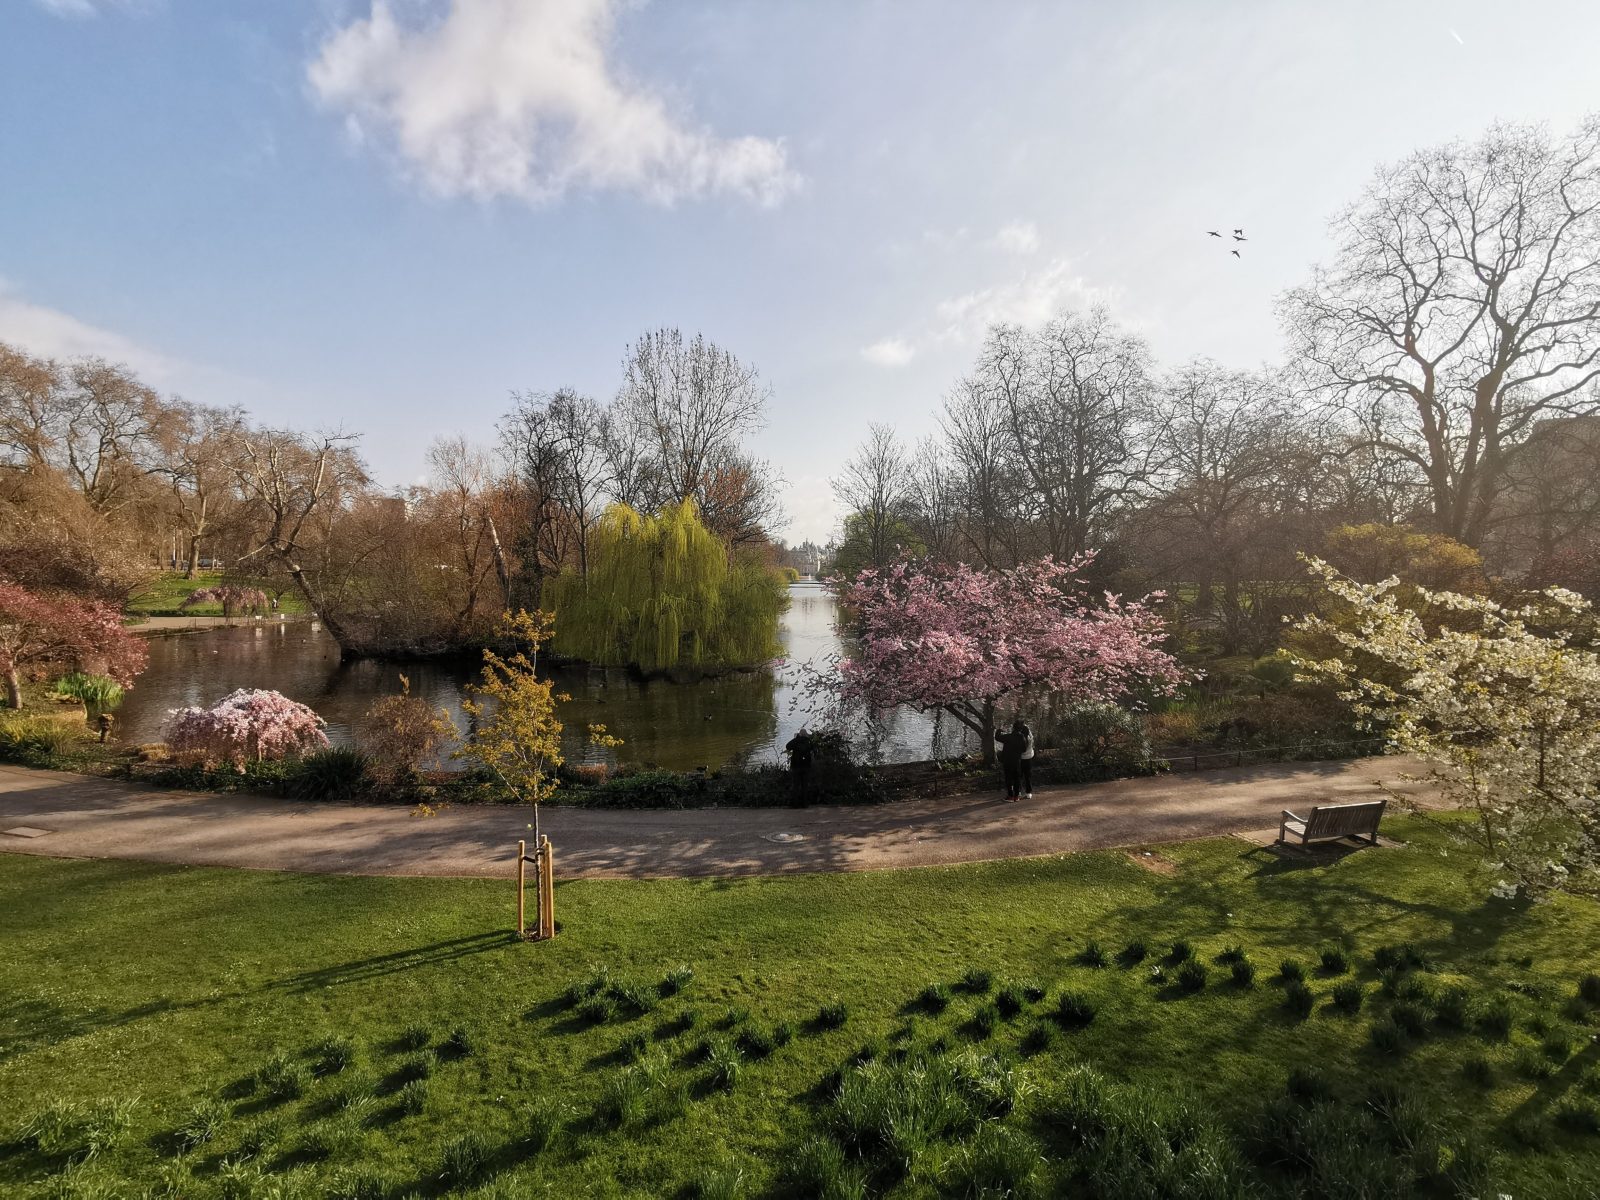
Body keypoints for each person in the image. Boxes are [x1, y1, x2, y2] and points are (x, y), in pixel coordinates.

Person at [991, 720, 1030, 802]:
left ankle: (1010, 796)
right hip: (1017, 761)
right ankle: (1016, 796)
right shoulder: (1022, 738)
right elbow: (1024, 749)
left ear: (1013, 728)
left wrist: (999, 730)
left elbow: (997, 737)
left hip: (1007, 760)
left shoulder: (1008, 737)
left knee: (1009, 778)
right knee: (1017, 778)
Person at [784, 727, 816, 803]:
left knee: (796, 785)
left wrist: (795, 738)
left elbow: (788, 746)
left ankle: (795, 803)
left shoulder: (796, 741)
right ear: (806, 734)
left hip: (796, 766)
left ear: (800, 734)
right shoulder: (809, 741)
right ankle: (804, 803)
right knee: (805, 785)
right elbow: (814, 750)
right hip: (806, 766)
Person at [1018, 719, 1035, 800]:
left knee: (1019, 775)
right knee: (1028, 776)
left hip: (1020, 759)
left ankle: (1018, 791)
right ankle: (1028, 793)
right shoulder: (1030, 739)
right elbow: (1030, 734)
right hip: (1028, 758)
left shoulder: (1019, 738)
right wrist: (1026, 727)